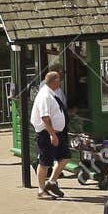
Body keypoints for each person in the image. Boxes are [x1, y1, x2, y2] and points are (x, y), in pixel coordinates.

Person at [30, 68, 70, 199]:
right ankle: (41, 190)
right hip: (46, 134)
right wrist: (52, 134)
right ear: (54, 81)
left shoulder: (52, 94)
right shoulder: (45, 96)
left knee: (65, 157)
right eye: (59, 80)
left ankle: (52, 182)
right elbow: (45, 117)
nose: (60, 82)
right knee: (45, 162)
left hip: (57, 133)